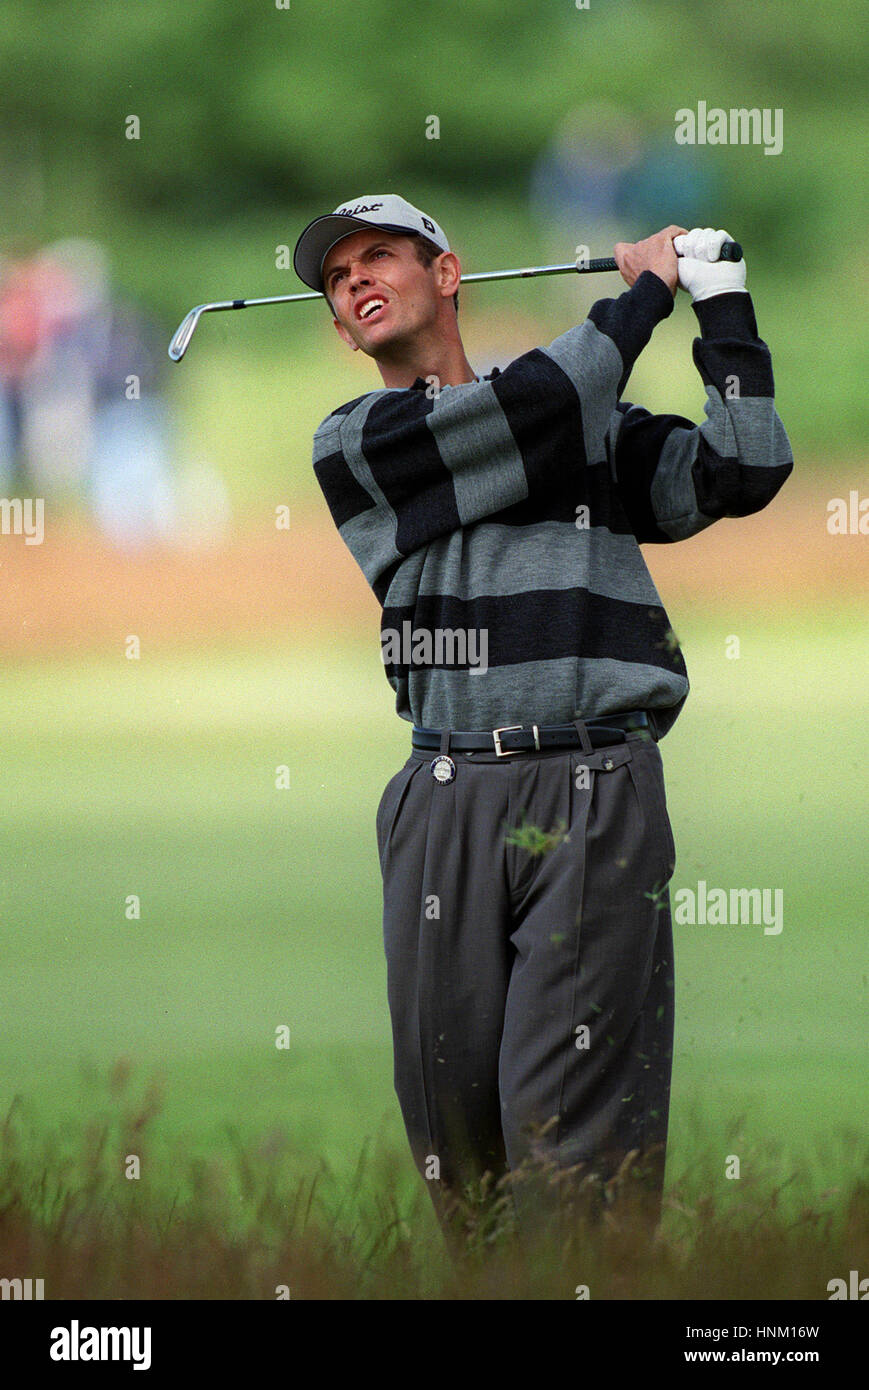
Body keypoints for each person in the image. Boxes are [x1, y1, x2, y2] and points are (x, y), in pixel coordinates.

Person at [294, 195, 793, 1250]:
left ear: (447, 274)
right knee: (455, 1144)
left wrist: (722, 305)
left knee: (570, 1147)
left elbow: (742, 469)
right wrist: (644, 290)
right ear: (342, 328)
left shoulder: (585, 425)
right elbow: (530, 412)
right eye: (337, 281)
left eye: (378, 257)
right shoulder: (361, 444)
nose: (355, 282)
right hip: (440, 802)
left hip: (590, 791)